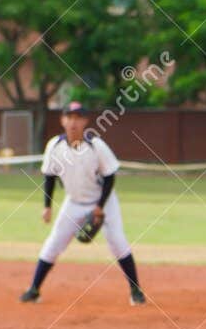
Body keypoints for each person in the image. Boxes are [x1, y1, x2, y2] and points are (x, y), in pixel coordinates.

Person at [21, 102, 145, 306]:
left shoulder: (96, 145)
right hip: (74, 202)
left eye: (78, 118)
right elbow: (49, 176)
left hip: (103, 202)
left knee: (117, 242)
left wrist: (99, 207)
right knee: (54, 243)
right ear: (62, 120)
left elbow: (110, 177)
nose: (73, 122)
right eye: (69, 117)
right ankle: (34, 290)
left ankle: (136, 291)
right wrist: (48, 206)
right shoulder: (54, 146)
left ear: (85, 121)